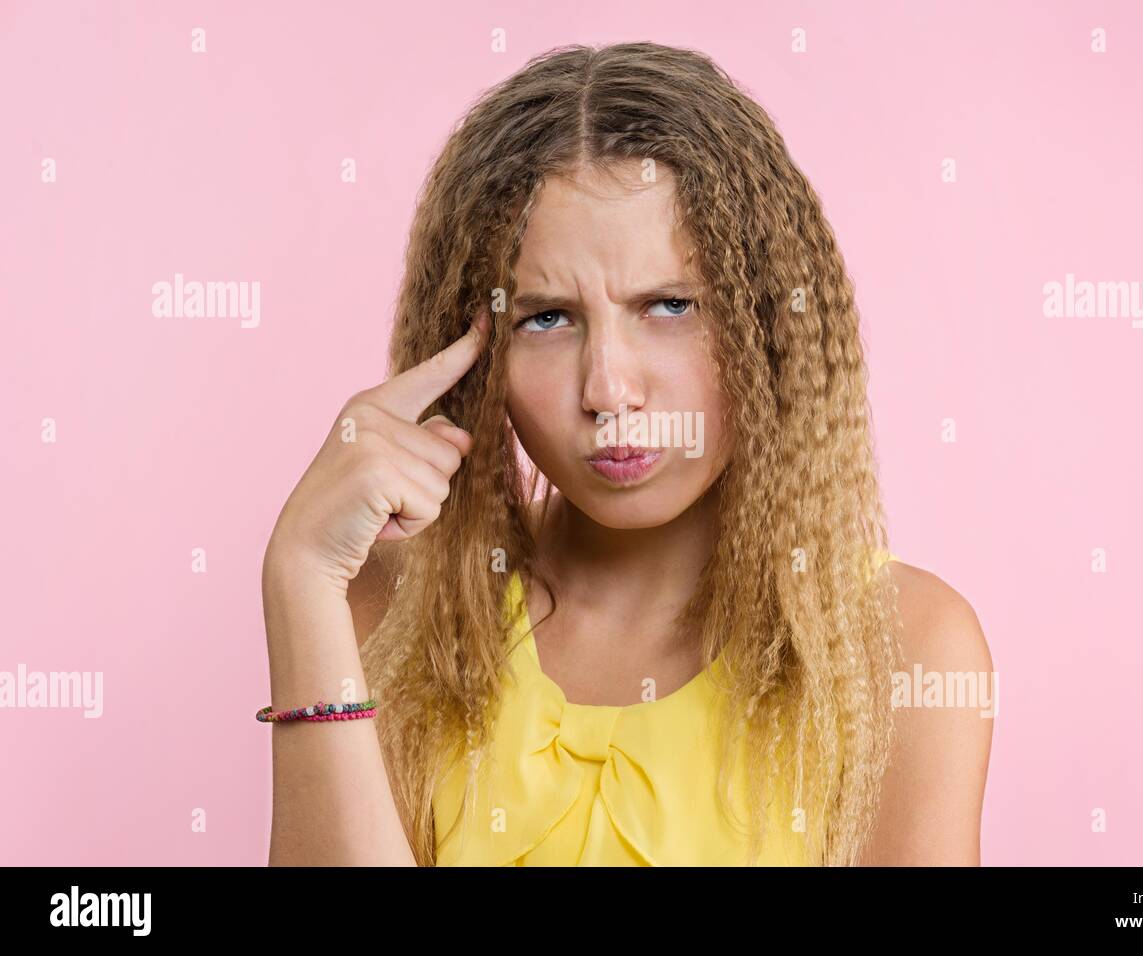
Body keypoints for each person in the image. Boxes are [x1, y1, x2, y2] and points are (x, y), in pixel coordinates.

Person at [261, 41, 993, 867]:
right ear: (475, 351)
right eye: (546, 318)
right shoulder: (390, 613)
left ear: (770, 327)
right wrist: (300, 579)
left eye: (670, 305)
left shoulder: (906, 648)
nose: (608, 390)